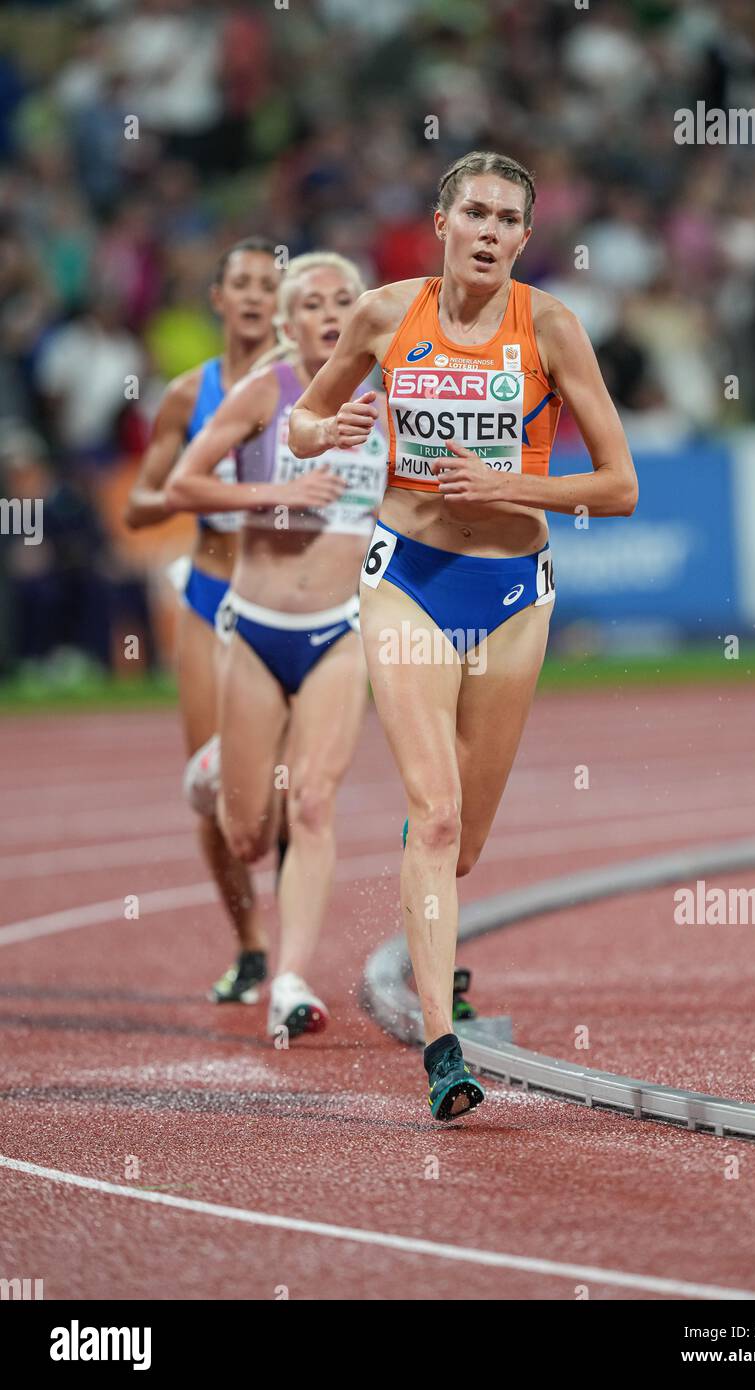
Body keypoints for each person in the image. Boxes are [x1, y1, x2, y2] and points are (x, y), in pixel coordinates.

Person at [288, 151, 638, 1120]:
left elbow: (617, 485)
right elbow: (305, 426)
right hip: (406, 575)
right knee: (434, 811)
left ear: (524, 239)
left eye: (506, 219)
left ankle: (428, 874)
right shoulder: (381, 315)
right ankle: (443, 1046)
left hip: (514, 592)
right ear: (440, 222)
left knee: (462, 839)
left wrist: (511, 485)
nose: (487, 231)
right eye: (472, 212)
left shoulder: (552, 327)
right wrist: (331, 427)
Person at [165, 252, 388, 1039]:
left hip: (339, 631)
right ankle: (215, 774)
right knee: (248, 833)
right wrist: (278, 491)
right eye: (313, 301)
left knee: (315, 804)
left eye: (344, 299)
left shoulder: (390, 399)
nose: (330, 311)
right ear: (289, 322)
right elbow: (182, 486)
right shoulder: (266, 392)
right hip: (255, 629)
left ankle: (290, 979)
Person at [124, 236, 281, 1004]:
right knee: (209, 785)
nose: (254, 297)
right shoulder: (189, 395)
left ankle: (303, 936)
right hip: (211, 594)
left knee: (286, 790)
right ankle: (251, 944)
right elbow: (140, 501)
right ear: (218, 298)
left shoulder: (305, 387)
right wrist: (201, 486)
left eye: (267, 285)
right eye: (241, 284)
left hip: (286, 597)